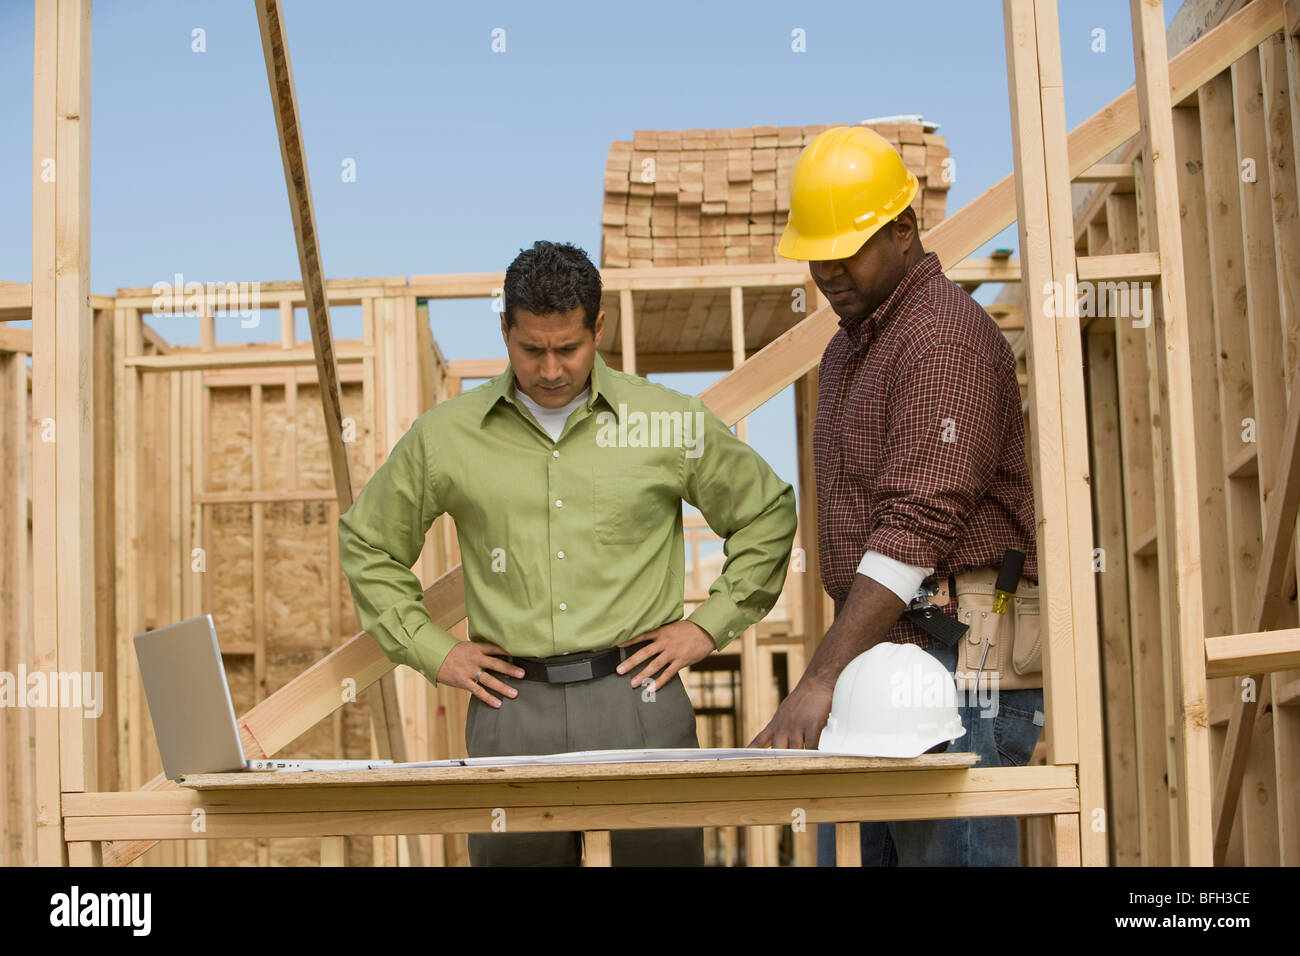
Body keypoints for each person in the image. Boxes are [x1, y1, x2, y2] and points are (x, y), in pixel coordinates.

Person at [340, 240, 797, 866]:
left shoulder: (666, 422)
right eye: (531, 349)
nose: (550, 369)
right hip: (510, 709)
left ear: (598, 327)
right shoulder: (444, 438)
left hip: (638, 697)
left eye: (568, 348)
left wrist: (706, 627)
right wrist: (433, 649)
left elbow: (767, 513)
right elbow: (369, 543)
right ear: (504, 329)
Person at [750, 126, 1044, 866]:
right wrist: (839, 673)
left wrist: (816, 681)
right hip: (882, 663)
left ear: (905, 229)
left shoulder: (942, 339)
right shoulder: (853, 344)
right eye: (814, 252)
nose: (825, 269)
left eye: (844, 249)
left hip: (958, 664)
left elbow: (914, 529)